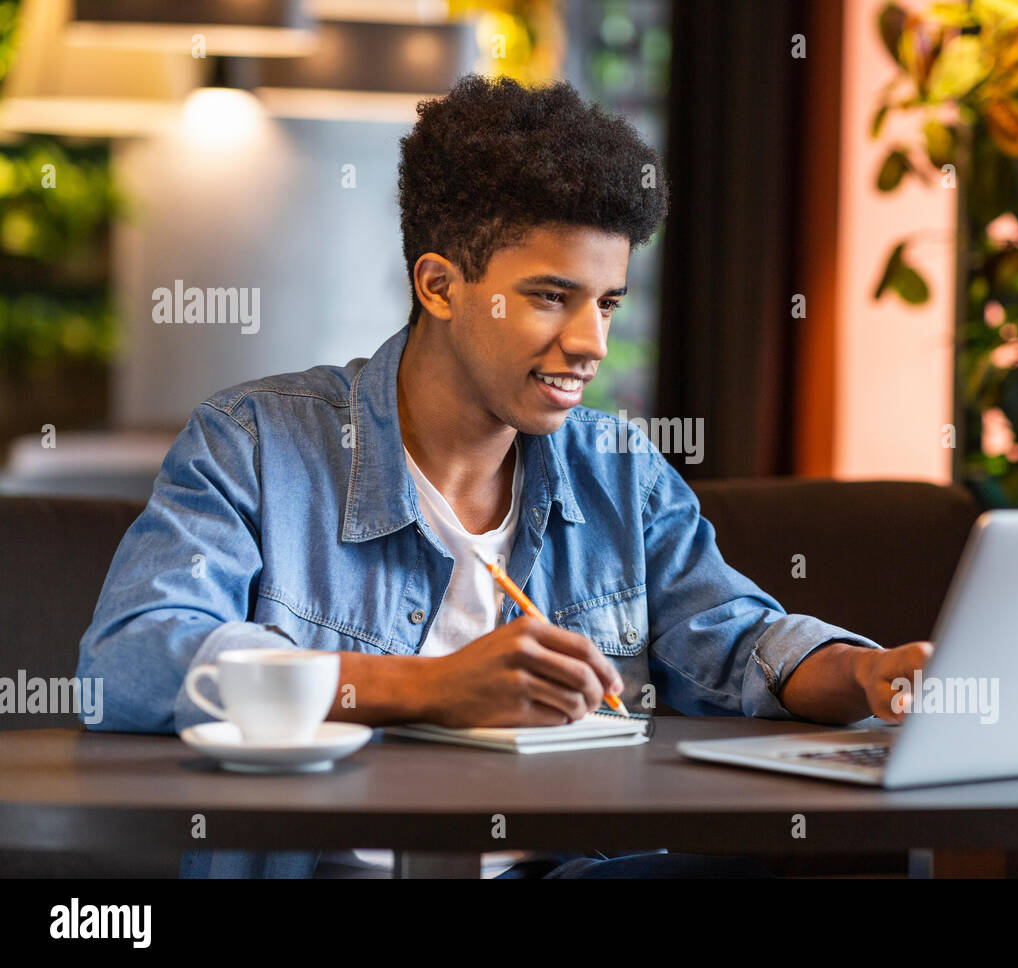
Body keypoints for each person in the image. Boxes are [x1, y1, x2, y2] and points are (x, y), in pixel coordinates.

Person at [77, 74, 933, 878]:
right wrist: (428, 690)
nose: (593, 343)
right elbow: (132, 661)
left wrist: (864, 675)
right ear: (442, 286)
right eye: (551, 297)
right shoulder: (256, 444)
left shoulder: (619, 471)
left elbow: (739, 639)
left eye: (607, 303)